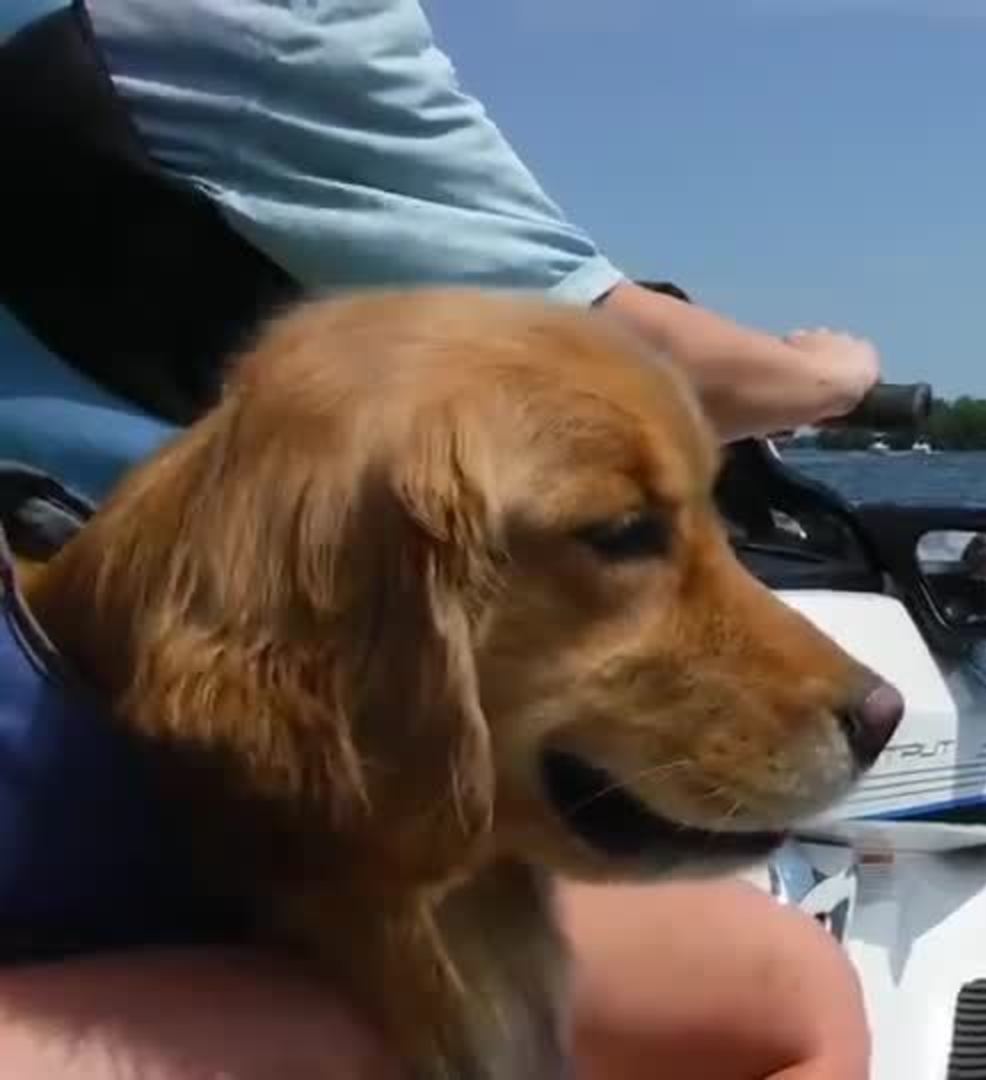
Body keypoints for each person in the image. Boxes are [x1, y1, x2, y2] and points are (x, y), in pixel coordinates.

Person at [0, 1, 875, 1077]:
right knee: (796, 999)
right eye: (626, 534)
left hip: (69, 695)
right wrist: (830, 375)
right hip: (146, 779)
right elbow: (613, 352)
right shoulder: (266, 17)